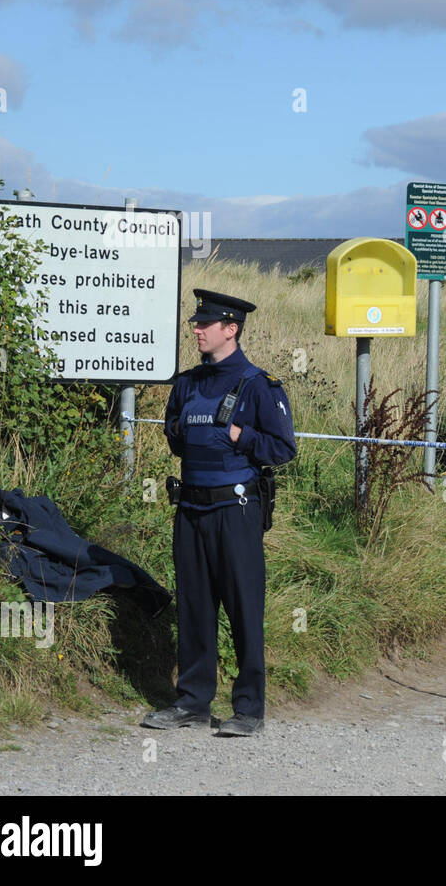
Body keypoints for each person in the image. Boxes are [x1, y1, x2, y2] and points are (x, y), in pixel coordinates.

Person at [142, 289, 296, 737]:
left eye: (205, 324)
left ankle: (248, 709)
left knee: (244, 607)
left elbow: (283, 448)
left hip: (236, 511)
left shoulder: (258, 385)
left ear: (230, 329)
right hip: (190, 508)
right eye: (195, 322)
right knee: (194, 606)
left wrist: (240, 435)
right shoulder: (187, 383)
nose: (196, 328)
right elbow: (176, 436)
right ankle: (192, 701)